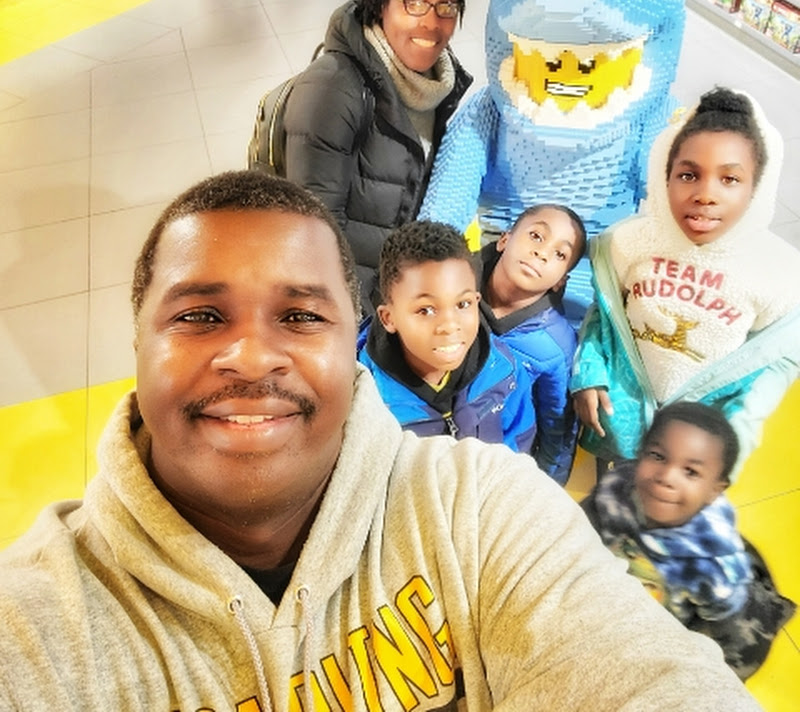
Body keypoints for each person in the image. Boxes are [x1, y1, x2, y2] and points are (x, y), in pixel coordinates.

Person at [0, 170, 760, 709]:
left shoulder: (478, 506)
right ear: (136, 344)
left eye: (301, 316)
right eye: (200, 316)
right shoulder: (40, 627)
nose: (254, 357)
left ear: (349, 341)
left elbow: (639, 671)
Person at [571, 87, 800, 478]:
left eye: (730, 179)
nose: (705, 195)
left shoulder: (775, 275)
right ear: (664, 176)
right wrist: (588, 374)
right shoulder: (630, 244)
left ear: (757, 188)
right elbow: (604, 319)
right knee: (609, 499)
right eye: (688, 175)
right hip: (618, 426)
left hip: (694, 455)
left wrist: (731, 443)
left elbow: (768, 367)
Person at [283, 0, 472, 314]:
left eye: (446, 5)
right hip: (355, 307)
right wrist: (367, 323)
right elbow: (313, 236)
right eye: (415, 2)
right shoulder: (334, 88)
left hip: (397, 295)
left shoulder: (438, 85)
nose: (431, 22)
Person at [581, 401, 796, 679]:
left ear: (715, 490)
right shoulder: (615, 491)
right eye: (657, 456)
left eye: (691, 472)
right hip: (613, 603)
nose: (666, 477)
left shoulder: (712, 565)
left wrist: (696, 680)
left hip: (670, 631)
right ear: (640, 453)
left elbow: (739, 649)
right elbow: (575, 532)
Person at [357, 220, 535, 452]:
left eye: (463, 304)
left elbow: (518, 442)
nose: (450, 326)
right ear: (389, 319)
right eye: (426, 310)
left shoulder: (504, 369)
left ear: (477, 301)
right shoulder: (362, 396)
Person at [480, 203, 587, 484]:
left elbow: (557, 434)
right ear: (504, 239)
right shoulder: (452, 288)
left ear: (561, 281)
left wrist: (546, 492)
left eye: (560, 254)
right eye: (536, 236)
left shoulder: (558, 345)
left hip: (496, 475)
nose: (542, 253)